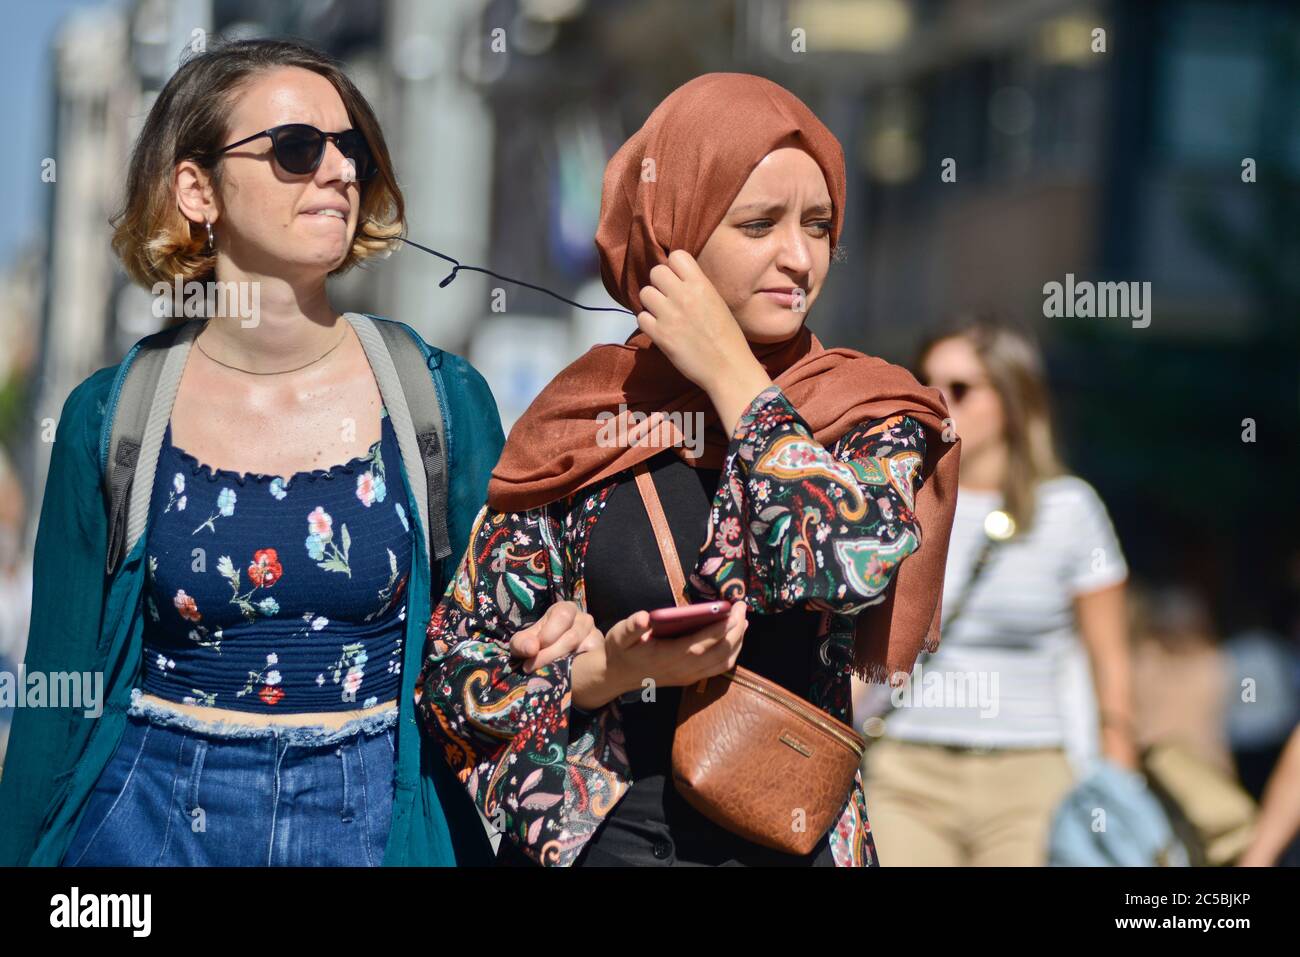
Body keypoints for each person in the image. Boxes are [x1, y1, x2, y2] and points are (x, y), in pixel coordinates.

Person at [0, 37, 596, 867]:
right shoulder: (110, 416)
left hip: (375, 822)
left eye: (352, 148)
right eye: (296, 148)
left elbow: (496, 634)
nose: (340, 171)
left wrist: (556, 627)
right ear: (197, 189)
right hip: (147, 827)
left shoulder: (439, 399)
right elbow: (52, 701)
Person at [415, 73, 960, 867]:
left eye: (818, 226)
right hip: (606, 844)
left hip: (790, 840)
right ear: (676, 229)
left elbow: (847, 564)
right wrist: (604, 671)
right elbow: (452, 683)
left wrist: (735, 380)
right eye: (758, 224)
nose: (799, 258)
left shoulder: (865, 410)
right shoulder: (586, 417)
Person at [859, 314, 1138, 866]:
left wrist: (1119, 765)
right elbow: (866, 643)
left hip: (1030, 772)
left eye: (961, 387)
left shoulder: (1069, 509)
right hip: (907, 766)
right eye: (925, 383)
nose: (939, 400)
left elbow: (1110, 658)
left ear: (1012, 400)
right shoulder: (893, 500)